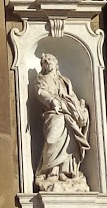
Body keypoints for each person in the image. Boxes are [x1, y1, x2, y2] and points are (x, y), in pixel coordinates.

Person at [32, 52, 91, 192]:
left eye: (50, 60)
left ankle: (64, 171)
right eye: (45, 61)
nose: (48, 62)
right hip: (54, 113)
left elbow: (72, 95)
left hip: (68, 112)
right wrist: (53, 100)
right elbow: (41, 92)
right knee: (52, 138)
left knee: (70, 142)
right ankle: (51, 171)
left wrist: (79, 109)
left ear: (56, 63)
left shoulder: (64, 81)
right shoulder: (41, 79)